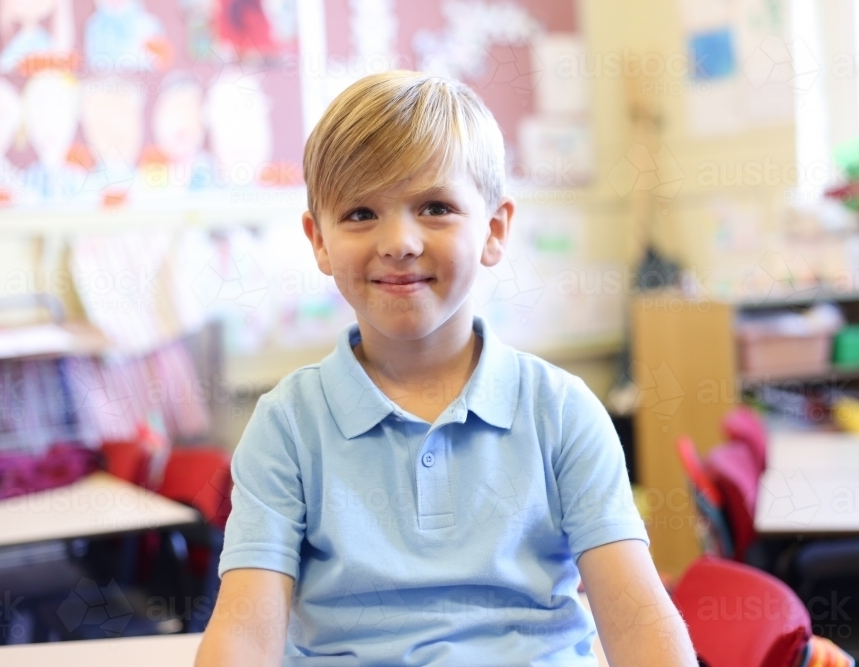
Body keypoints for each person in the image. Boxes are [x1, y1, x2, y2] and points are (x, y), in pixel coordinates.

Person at [195, 70, 697, 666]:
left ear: (494, 229)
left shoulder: (562, 412)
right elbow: (245, 634)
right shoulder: (287, 425)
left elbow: (639, 625)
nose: (399, 241)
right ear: (320, 241)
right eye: (360, 213)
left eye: (435, 207)